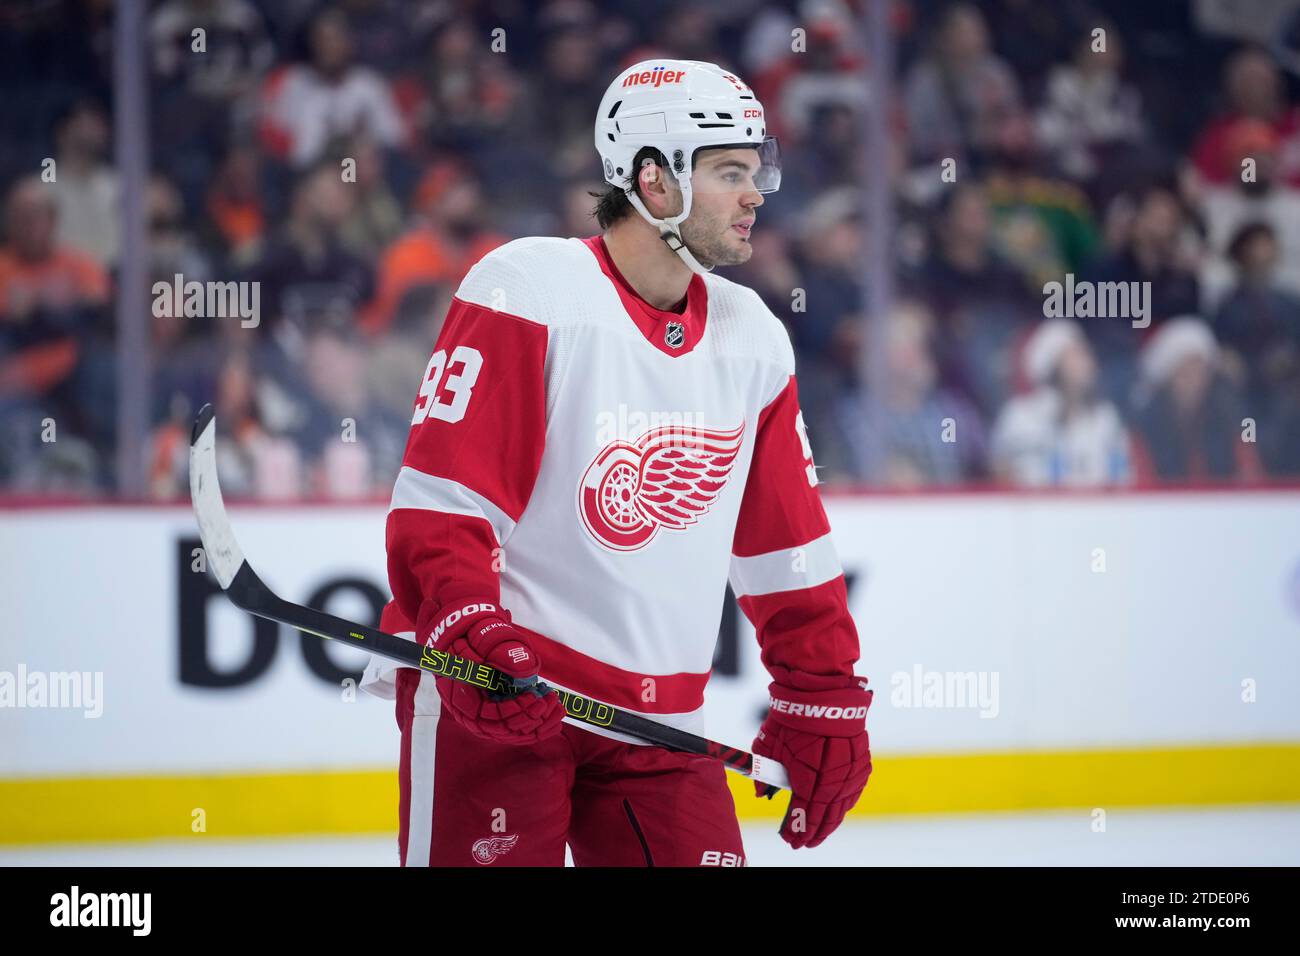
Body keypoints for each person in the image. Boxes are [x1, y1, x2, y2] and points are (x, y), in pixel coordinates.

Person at [361, 59, 872, 867]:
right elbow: (446, 504)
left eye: (756, 169)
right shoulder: (528, 289)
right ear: (654, 182)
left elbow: (785, 550)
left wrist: (824, 692)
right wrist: (463, 622)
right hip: (503, 698)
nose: (756, 194)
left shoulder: (754, 337)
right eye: (730, 172)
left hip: (659, 727)